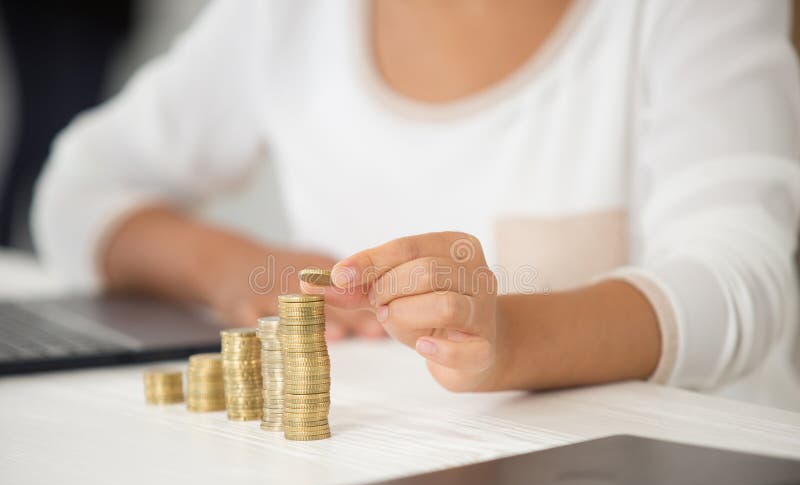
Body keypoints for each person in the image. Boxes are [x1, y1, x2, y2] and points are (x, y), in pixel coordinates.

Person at [32, 0, 800, 408]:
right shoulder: (280, 16)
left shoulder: (693, 11)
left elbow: (744, 275)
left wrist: (512, 336)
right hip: (391, 473)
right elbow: (75, 189)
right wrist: (236, 268)